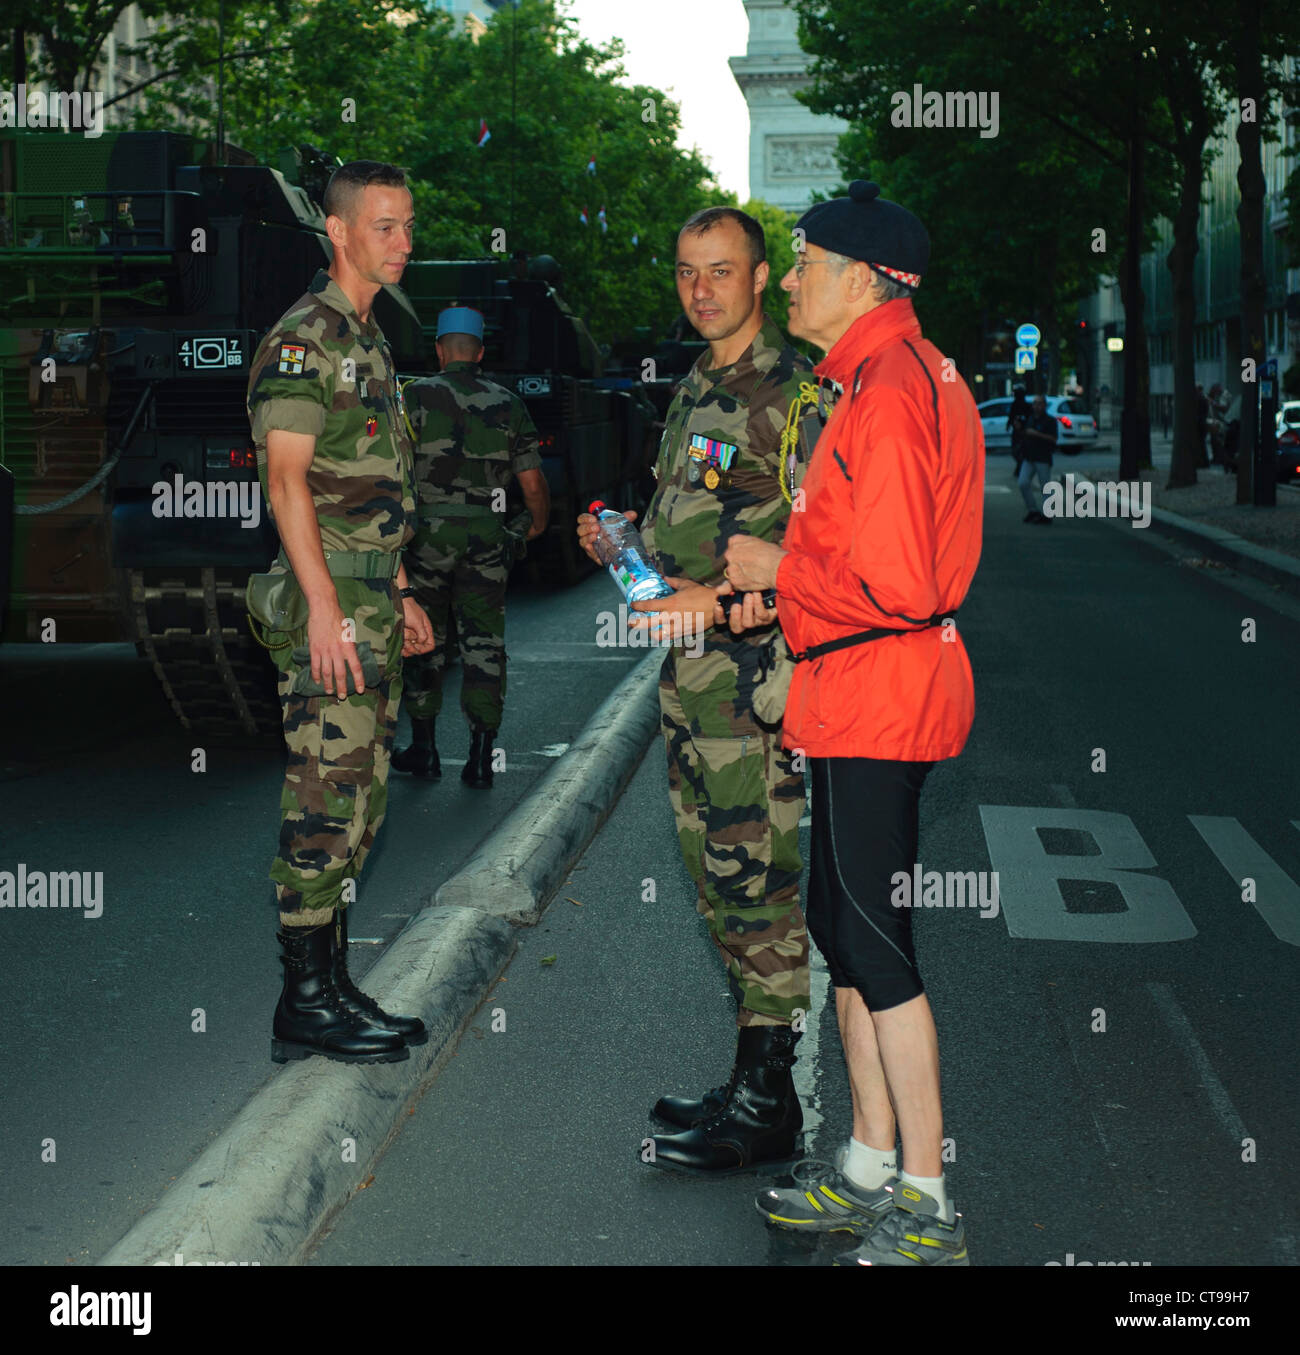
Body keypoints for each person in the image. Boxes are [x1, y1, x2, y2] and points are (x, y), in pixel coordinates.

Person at [720, 178, 982, 1266]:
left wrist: (782, 571)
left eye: (803, 259)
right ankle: (870, 1160)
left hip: (878, 692)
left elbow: (905, 580)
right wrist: (781, 589)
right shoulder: (877, 376)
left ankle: (929, 1199)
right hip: (851, 688)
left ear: (863, 277)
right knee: (842, 932)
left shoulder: (889, 386)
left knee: (878, 943)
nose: (786, 277)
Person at [575, 206, 829, 1175]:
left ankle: (768, 1103)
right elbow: (686, 530)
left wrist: (713, 604)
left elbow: (811, 555)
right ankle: (748, 1078)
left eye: (720, 271)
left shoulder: (795, 395)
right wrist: (623, 547)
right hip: (693, 682)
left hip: (754, 687)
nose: (700, 289)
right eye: (686, 271)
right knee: (718, 880)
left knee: (756, 883)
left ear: (760, 279)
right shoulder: (695, 384)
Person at [246, 160, 435, 1065]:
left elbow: (370, 489)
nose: (404, 242)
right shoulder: (305, 338)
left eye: (408, 226)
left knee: (359, 795)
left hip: (370, 595)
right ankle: (304, 1000)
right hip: (333, 604)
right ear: (341, 231)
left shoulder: (370, 337)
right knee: (322, 794)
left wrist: (397, 593)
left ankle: (334, 982)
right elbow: (287, 482)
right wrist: (324, 608)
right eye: (387, 226)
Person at [391, 306, 549, 788]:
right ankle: (482, 756)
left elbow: (391, 472)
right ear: (479, 352)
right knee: (484, 643)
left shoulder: (412, 397)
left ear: (439, 349)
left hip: (427, 538)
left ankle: (425, 749)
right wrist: (532, 527)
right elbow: (533, 483)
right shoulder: (507, 402)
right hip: (486, 537)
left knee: (423, 640)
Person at [1019, 394, 1057, 523]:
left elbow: (1053, 439)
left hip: (1043, 457)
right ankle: (1032, 510)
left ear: (1045, 405)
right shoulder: (1030, 419)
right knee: (1023, 483)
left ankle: (1048, 514)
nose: (1037, 406)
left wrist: (1037, 434)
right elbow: (1025, 434)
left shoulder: (1050, 421)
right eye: (1035, 403)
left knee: (1045, 486)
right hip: (1029, 456)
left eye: (1039, 403)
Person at [1007, 385, 1030, 477]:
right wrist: (1010, 424)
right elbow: (1011, 416)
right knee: (1015, 451)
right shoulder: (1014, 405)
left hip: (1023, 432)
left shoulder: (1026, 406)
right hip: (1016, 432)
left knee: (1020, 450)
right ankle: (1020, 466)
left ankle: (1020, 467)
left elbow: (1029, 418)